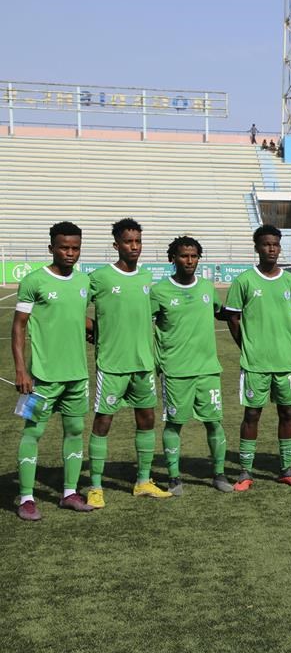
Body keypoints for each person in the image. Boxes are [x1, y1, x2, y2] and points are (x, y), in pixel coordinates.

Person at [11, 221, 94, 520]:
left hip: (77, 376)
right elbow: (18, 327)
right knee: (32, 432)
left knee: (75, 431)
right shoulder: (34, 281)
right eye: (64, 247)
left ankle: (69, 493)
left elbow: (74, 314)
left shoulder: (83, 282)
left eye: (75, 248)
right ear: (51, 248)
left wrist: (92, 327)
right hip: (41, 378)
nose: (70, 253)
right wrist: (22, 370)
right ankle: (26, 498)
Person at [86, 218, 167, 508]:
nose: (134, 246)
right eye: (128, 241)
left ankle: (143, 481)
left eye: (138, 241)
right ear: (116, 245)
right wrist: (91, 328)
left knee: (147, 420)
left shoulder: (145, 277)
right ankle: (95, 486)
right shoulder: (100, 277)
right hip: (112, 364)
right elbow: (73, 305)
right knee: (103, 421)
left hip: (143, 363)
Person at [224, 225, 291, 490]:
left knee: (287, 413)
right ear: (257, 247)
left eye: (275, 244)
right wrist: (246, 346)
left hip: (286, 362)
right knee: (252, 414)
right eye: (266, 244)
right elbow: (232, 318)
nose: (271, 248)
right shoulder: (244, 281)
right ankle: (245, 472)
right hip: (255, 363)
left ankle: (287, 469)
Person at [151, 236, 234, 494]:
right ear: (172, 258)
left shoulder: (207, 288)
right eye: (184, 256)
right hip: (175, 370)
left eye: (194, 256)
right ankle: (174, 477)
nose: (189, 260)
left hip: (208, 369)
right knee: (174, 424)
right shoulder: (159, 291)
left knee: (214, 422)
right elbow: (143, 325)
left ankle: (219, 473)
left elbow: (222, 312)